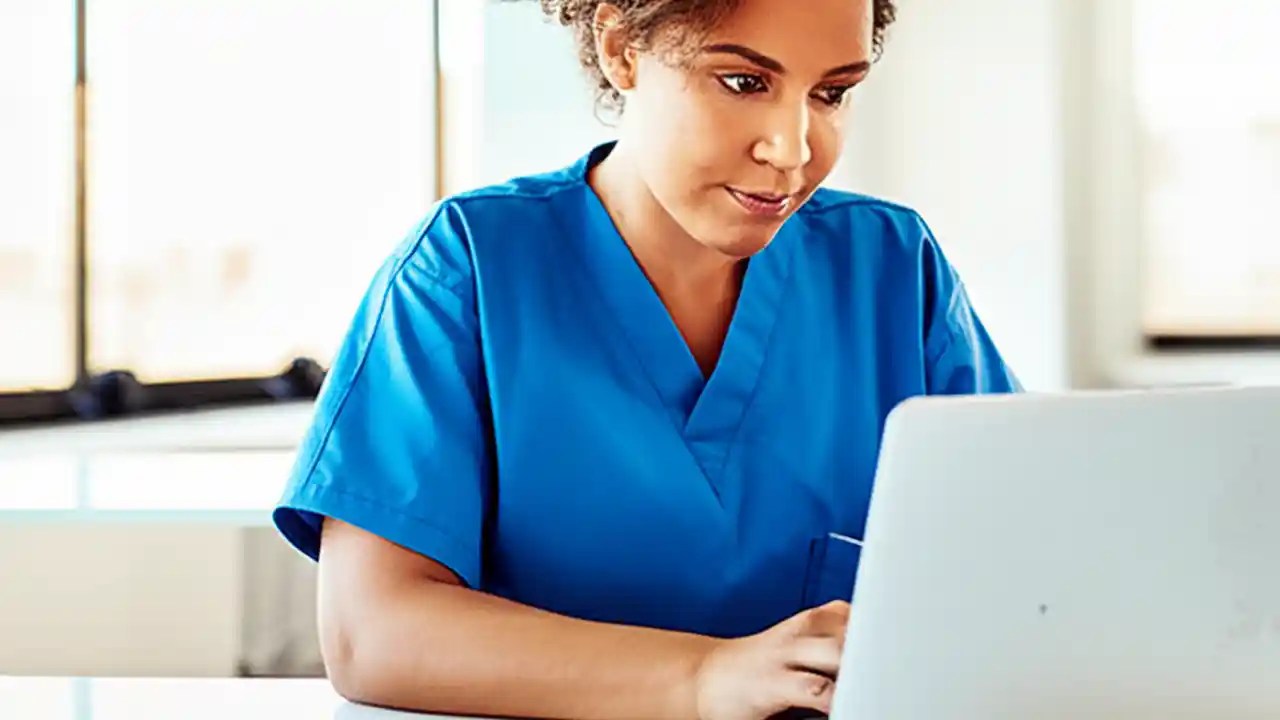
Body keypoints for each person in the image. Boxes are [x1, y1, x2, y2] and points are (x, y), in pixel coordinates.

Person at [273, 0, 1020, 718]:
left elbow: (1031, 562)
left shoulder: (891, 268)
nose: (791, 148)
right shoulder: (466, 268)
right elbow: (372, 633)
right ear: (622, 48)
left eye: (832, 93)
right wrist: (703, 681)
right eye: (744, 82)